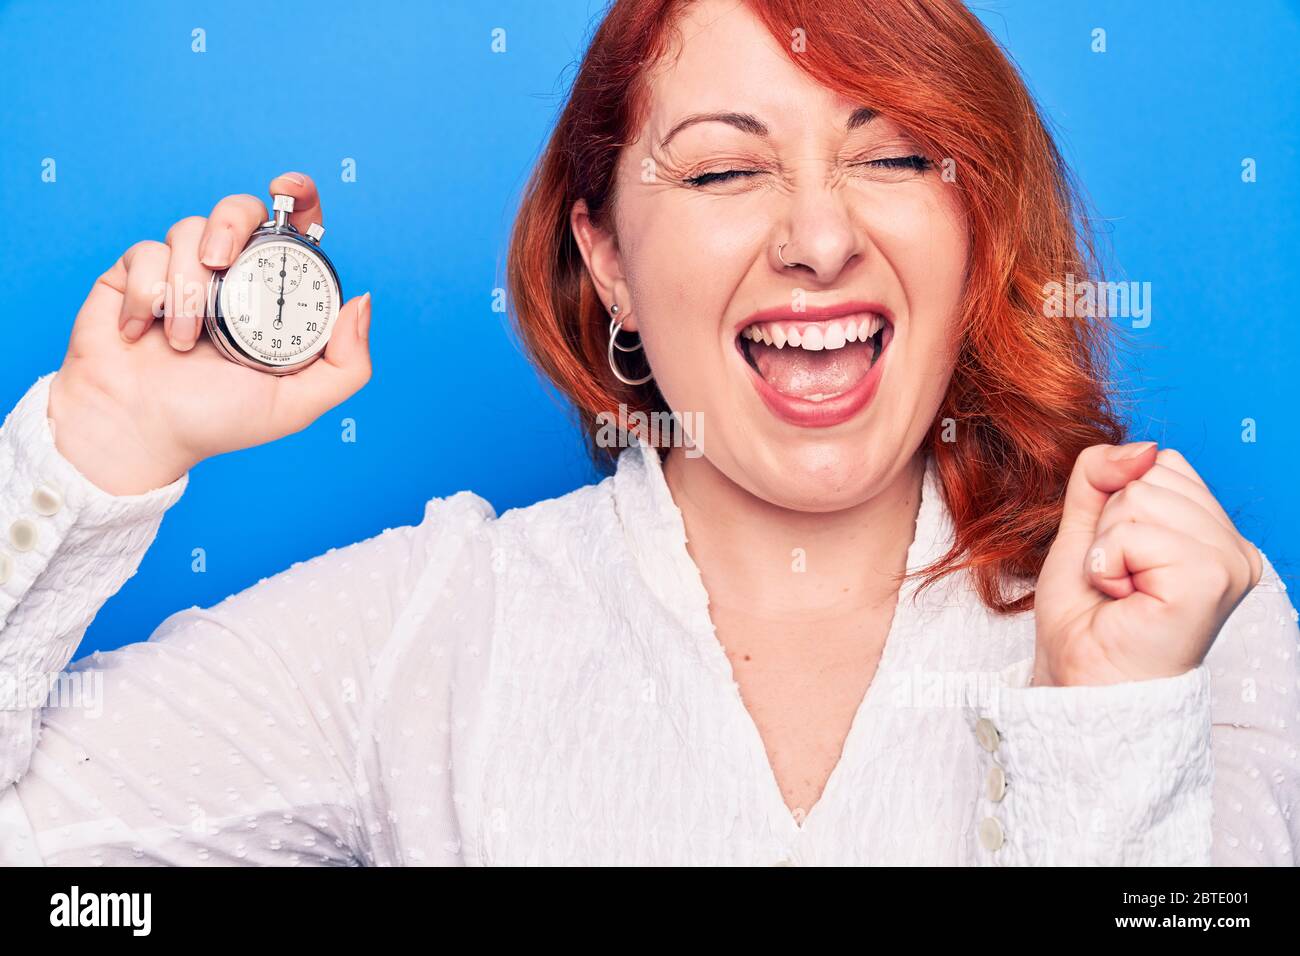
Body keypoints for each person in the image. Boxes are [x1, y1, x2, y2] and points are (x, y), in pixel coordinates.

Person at [1, 0, 1296, 866]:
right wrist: (100, 445)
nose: (820, 237)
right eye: (725, 170)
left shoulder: (1190, 622)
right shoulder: (437, 629)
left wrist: (1111, 736)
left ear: (977, 227)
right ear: (608, 258)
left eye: (896, 157)